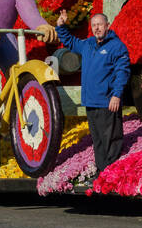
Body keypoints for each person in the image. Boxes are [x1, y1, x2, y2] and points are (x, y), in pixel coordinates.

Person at [56, 10, 130, 180]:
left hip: (108, 102)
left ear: (107, 26)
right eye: (94, 25)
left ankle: (112, 175)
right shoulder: (88, 44)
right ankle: (101, 173)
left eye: (100, 25)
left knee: (111, 139)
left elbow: (122, 72)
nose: (97, 28)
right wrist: (61, 26)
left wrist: (116, 95)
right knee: (97, 140)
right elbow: (71, 42)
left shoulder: (117, 46)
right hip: (91, 102)